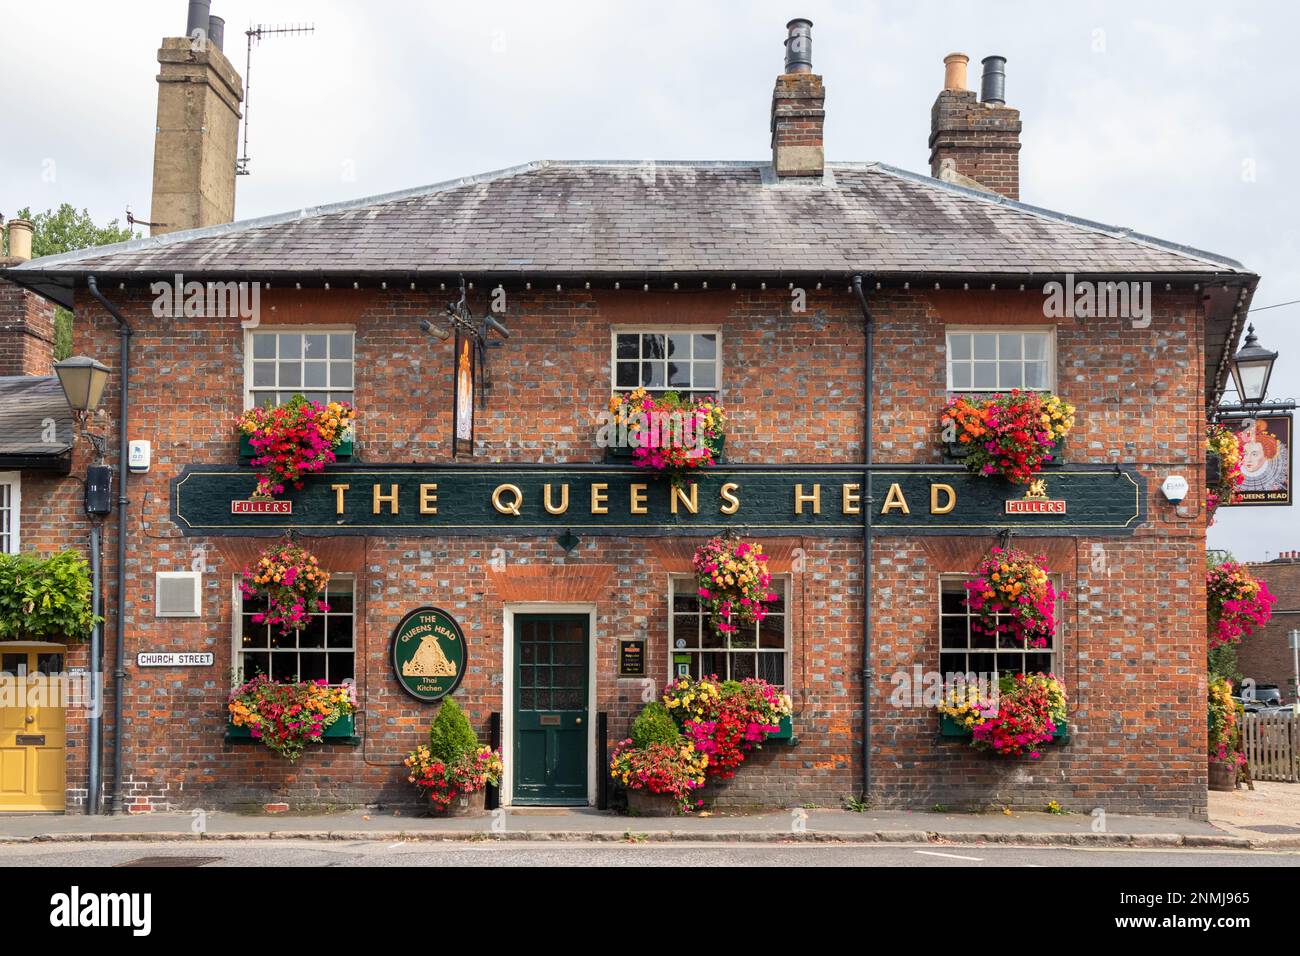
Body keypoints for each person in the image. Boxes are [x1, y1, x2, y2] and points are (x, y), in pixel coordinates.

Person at [1237, 419, 1289, 493]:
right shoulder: (1232, 481)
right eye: (1244, 454)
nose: (1248, 459)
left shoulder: (1280, 486)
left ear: (1266, 455)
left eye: (1254, 454)